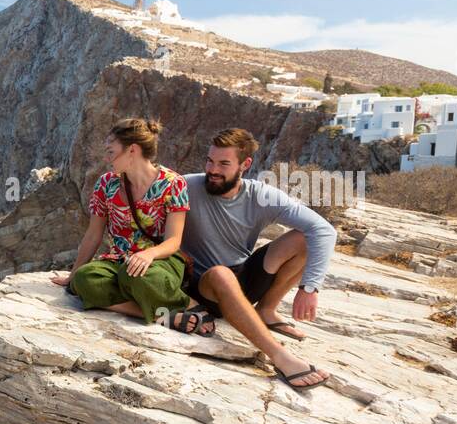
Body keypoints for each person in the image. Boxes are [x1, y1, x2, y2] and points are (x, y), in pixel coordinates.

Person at [180, 127, 336, 390]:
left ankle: (265, 310)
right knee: (220, 273)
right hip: (204, 287)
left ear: (245, 164)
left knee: (302, 239)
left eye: (224, 164)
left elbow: (323, 230)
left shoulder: (261, 195)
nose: (213, 170)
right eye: (210, 161)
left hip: (242, 276)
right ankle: (282, 358)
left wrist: (310, 287)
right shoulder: (186, 186)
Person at [51, 117, 210, 334]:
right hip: (118, 260)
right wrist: (73, 275)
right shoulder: (107, 184)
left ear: (132, 150)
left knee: (134, 275)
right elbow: (93, 234)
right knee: (84, 280)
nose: (107, 159)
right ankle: (161, 314)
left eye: (111, 152)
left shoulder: (173, 183)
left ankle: (181, 303)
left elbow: (173, 241)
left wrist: (148, 255)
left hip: (159, 260)